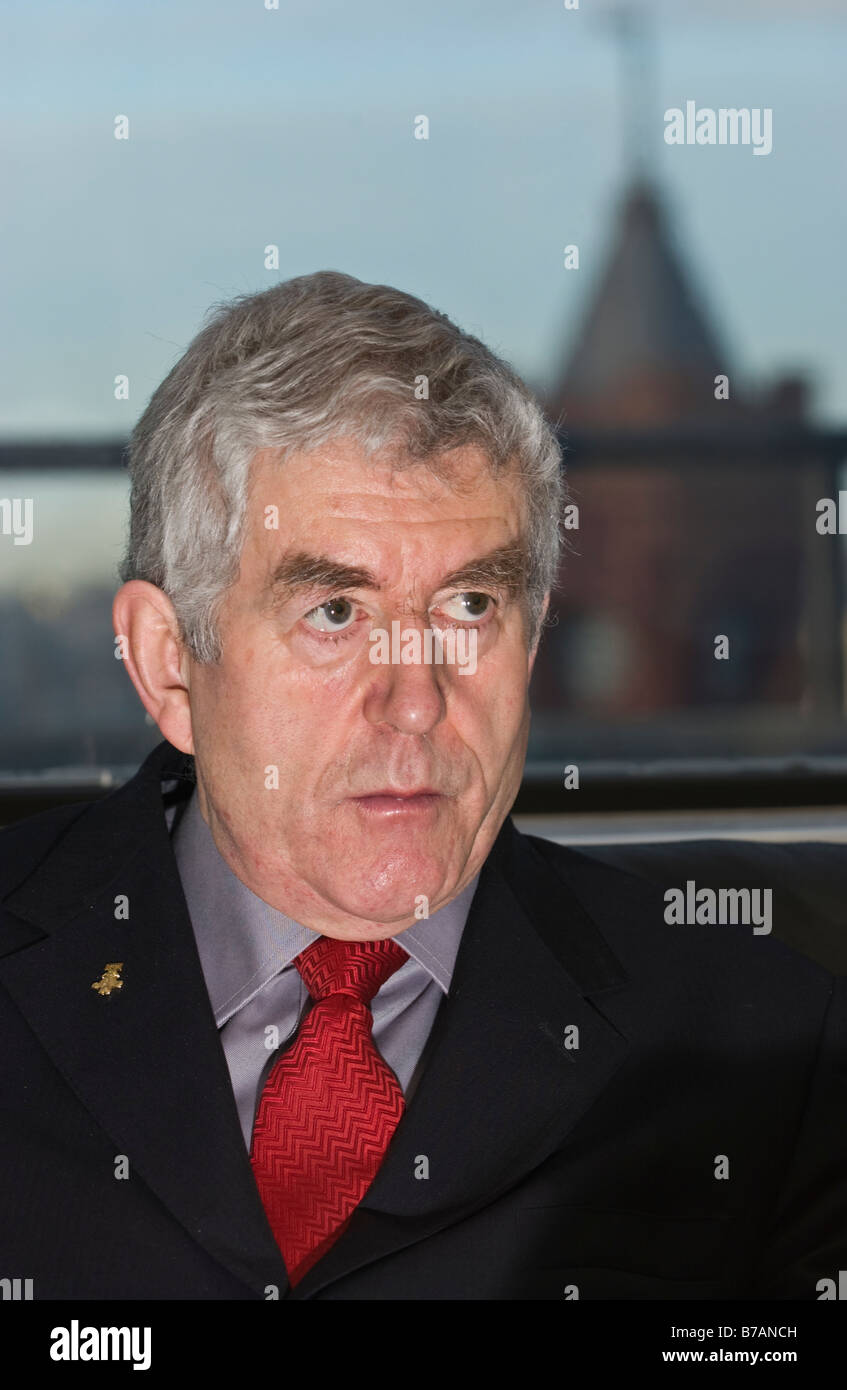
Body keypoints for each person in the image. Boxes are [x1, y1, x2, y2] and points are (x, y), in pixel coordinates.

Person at [1, 271, 846, 1301]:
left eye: (469, 603)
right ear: (170, 661)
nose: (414, 704)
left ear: (532, 640)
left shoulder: (766, 1047)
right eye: (335, 614)